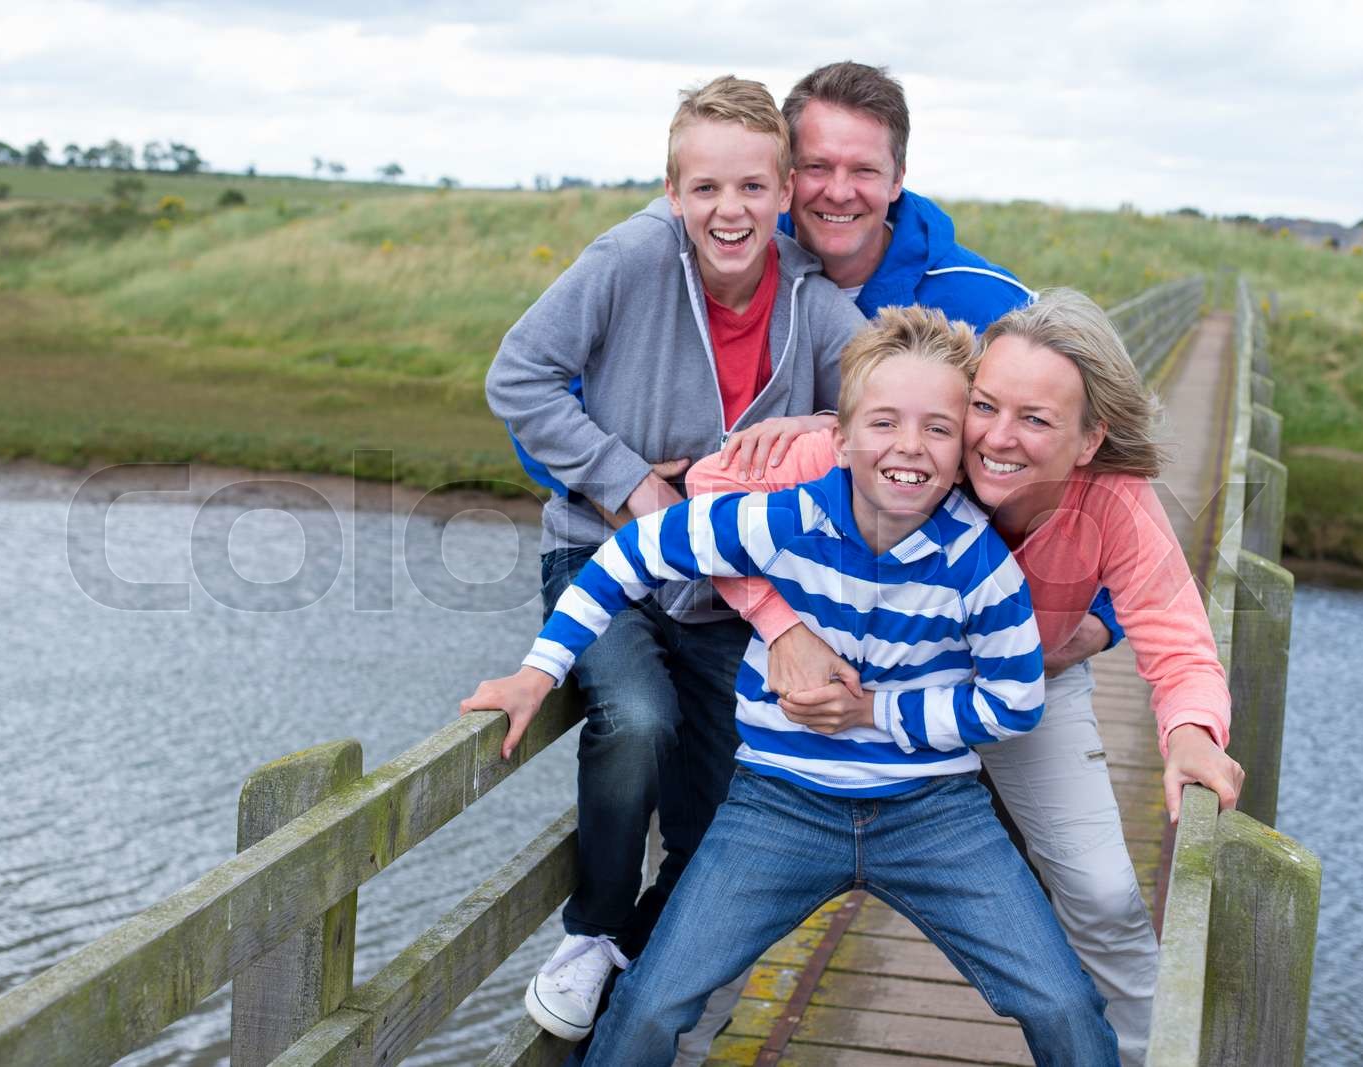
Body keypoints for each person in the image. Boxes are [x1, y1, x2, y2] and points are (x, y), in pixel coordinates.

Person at [465, 306, 1118, 1066]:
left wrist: (880, 710)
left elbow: (1015, 700)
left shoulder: (982, 567)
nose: (909, 447)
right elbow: (630, 555)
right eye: (882, 423)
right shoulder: (782, 521)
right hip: (780, 803)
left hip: (935, 812)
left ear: (964, 447)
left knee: (1062, 1001)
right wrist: (537, 672)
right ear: (838, 438)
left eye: (938, 428)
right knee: (649, 1004)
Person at [698, 288, 1245, 1066]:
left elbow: (1178, 636)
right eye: (984, 405)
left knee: (1103, 894)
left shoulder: (1117, 504)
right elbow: (712, 487)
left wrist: (1191, 733)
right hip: (864, 694)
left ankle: (1144, 1054)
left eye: (1037, 419)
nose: (996, 438)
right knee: (734, 907)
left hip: (1025, 694)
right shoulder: (921, 452)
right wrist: (781, 624)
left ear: (1090, 437)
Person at [483, 75, 864, 1041]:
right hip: (601, 560)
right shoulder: (627, 261)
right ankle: (593, 929)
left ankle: (644, 963)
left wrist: (822, 420)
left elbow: (891, 412)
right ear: (671, 190)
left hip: (730, 596)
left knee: (727, 811)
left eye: (750, 189)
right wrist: (631, 486)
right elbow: (517, 375)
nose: (727, 212)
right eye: (704, 190)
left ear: (784, 192)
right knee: (640, 719)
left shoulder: (817, 310)